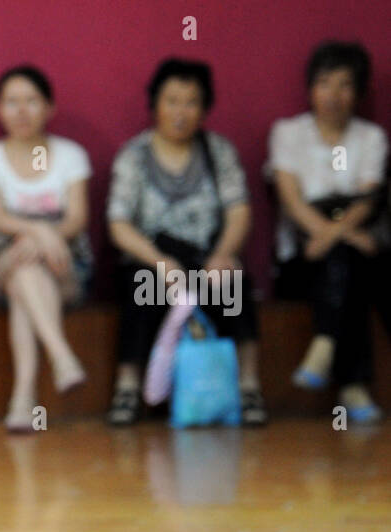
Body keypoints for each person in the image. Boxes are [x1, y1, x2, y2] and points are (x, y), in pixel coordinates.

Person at [106, 58, 266, 427]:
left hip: (205, 256)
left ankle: (248, 386)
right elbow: (119, 224)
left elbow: (239, 210)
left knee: (234, 282)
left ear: (205, 108)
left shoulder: (218, 152)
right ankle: (128, 387)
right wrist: (160, 263)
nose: (180, 112)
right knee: (140, 287)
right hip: (153, 259)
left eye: (191, 102)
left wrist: (223, 254)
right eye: (171, 100)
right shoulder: (135, 155)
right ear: (154, 105)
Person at [267, 41, 387, 424]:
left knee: (347, 262)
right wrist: (331, 234)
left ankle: (325, 344)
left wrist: (335, 235)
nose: (333, 95)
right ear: (309, 89)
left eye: (344, 85)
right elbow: (291, 200)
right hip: (302, 252)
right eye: (324, 83)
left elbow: (367, 202)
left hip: (349, 243)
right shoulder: (288, 133)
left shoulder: (371, 138)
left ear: (359, 91)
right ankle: (353, 386)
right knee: (343, 259)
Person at [0, 66, 91, 432]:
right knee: (22, 268)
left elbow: (77, 218)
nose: (21, 111)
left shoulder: (71, 155)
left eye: (31, 101)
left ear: (49, 107)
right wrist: (39, 231)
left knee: (27, 276)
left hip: (64, 262)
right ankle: (61, 356)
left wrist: (48, 239)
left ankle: (23, 399)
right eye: (12, 102)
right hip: (6, 258)